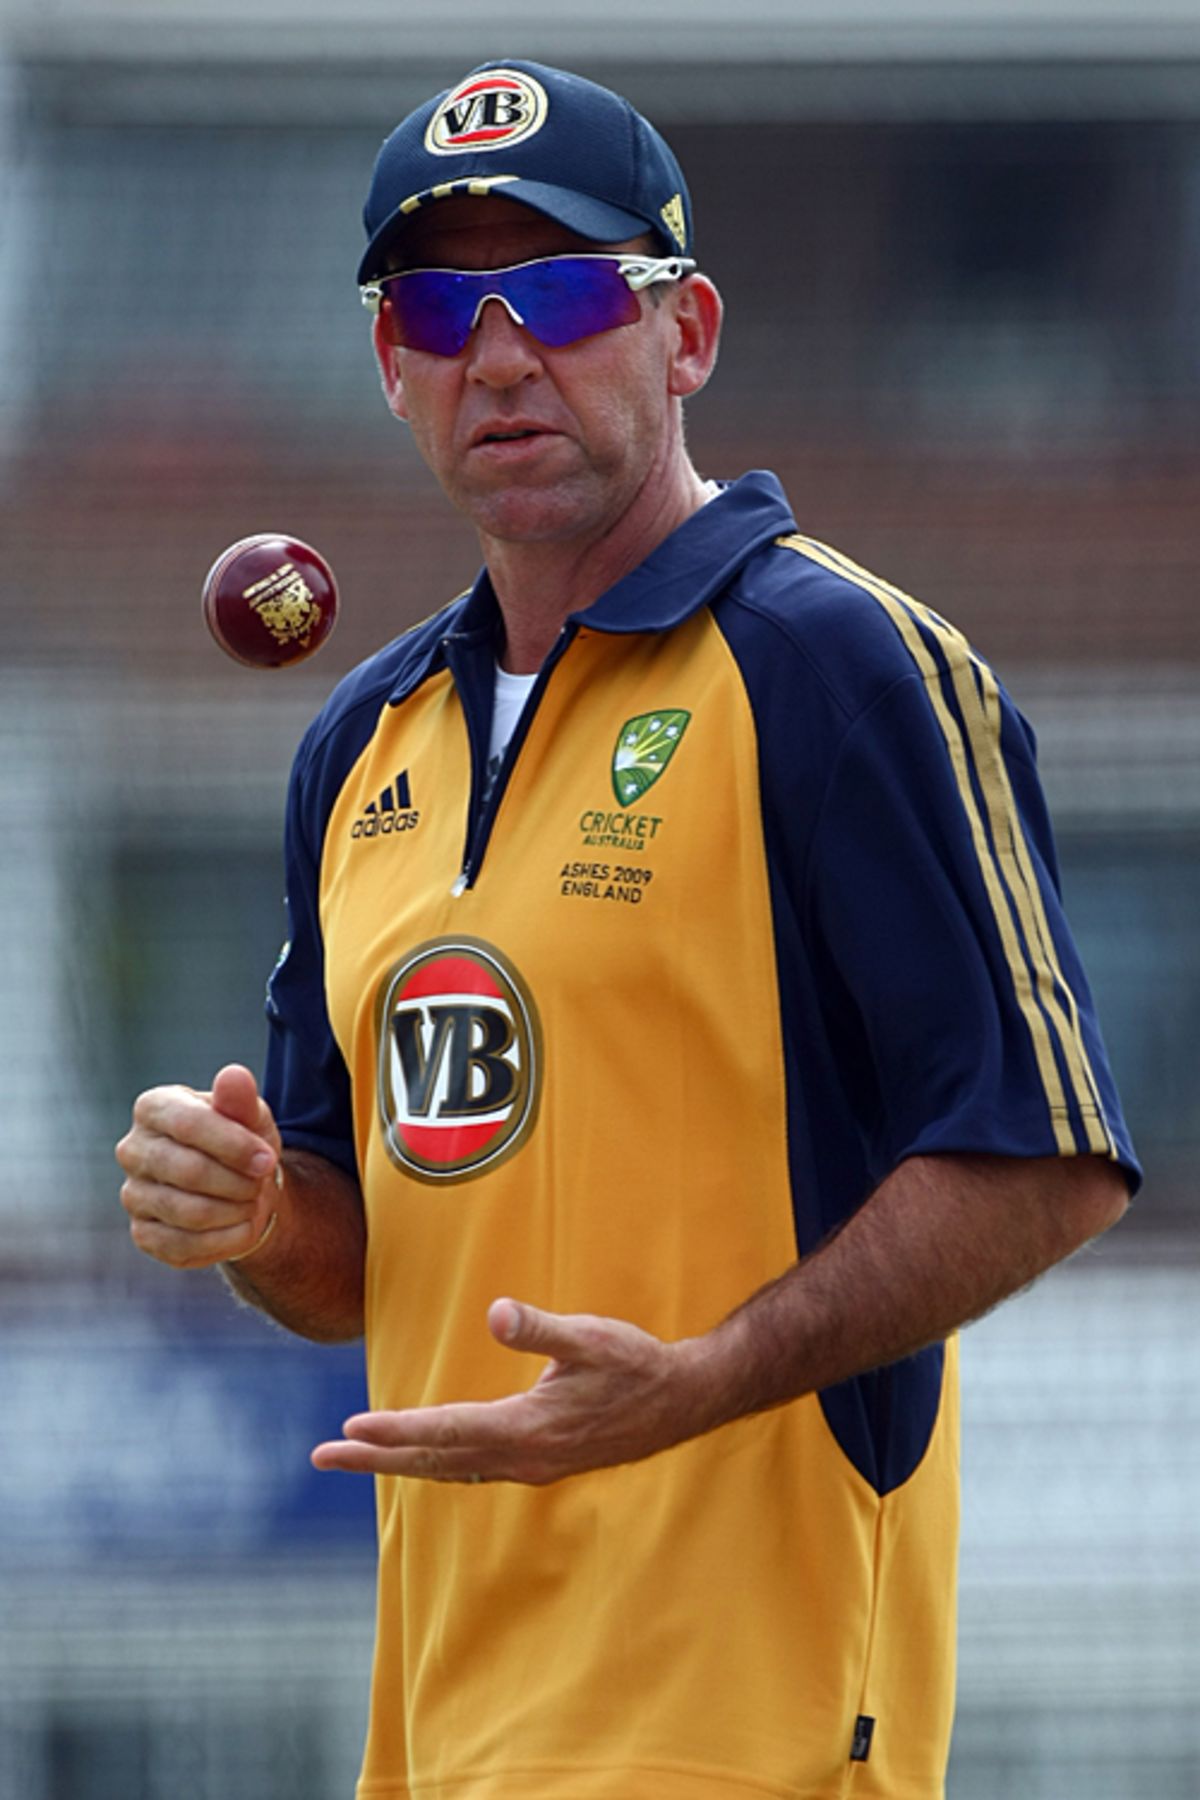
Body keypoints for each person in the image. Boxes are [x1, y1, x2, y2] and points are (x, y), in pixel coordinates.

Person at [117, 59, 1139, 1800]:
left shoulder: (844, 667)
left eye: (570, 289)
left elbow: (1047, 1158)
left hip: (751, 1735)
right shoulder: (361, 744)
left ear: (689, 334)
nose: (499, 353)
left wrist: (704, 1380)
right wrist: (251, 1212)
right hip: (435, 1740)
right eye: (439, 307)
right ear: (390, 368)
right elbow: (357, 1263)